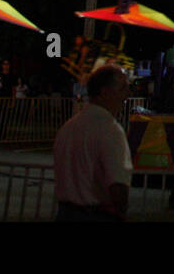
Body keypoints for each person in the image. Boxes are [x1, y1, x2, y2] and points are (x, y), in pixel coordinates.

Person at [52, 65, 132, 221]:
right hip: (96, 214)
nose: (127, 95)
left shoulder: (68, 128)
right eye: (122, 88)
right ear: (105, 93)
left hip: (65, 213)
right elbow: (118, 186)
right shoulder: (110, 129)